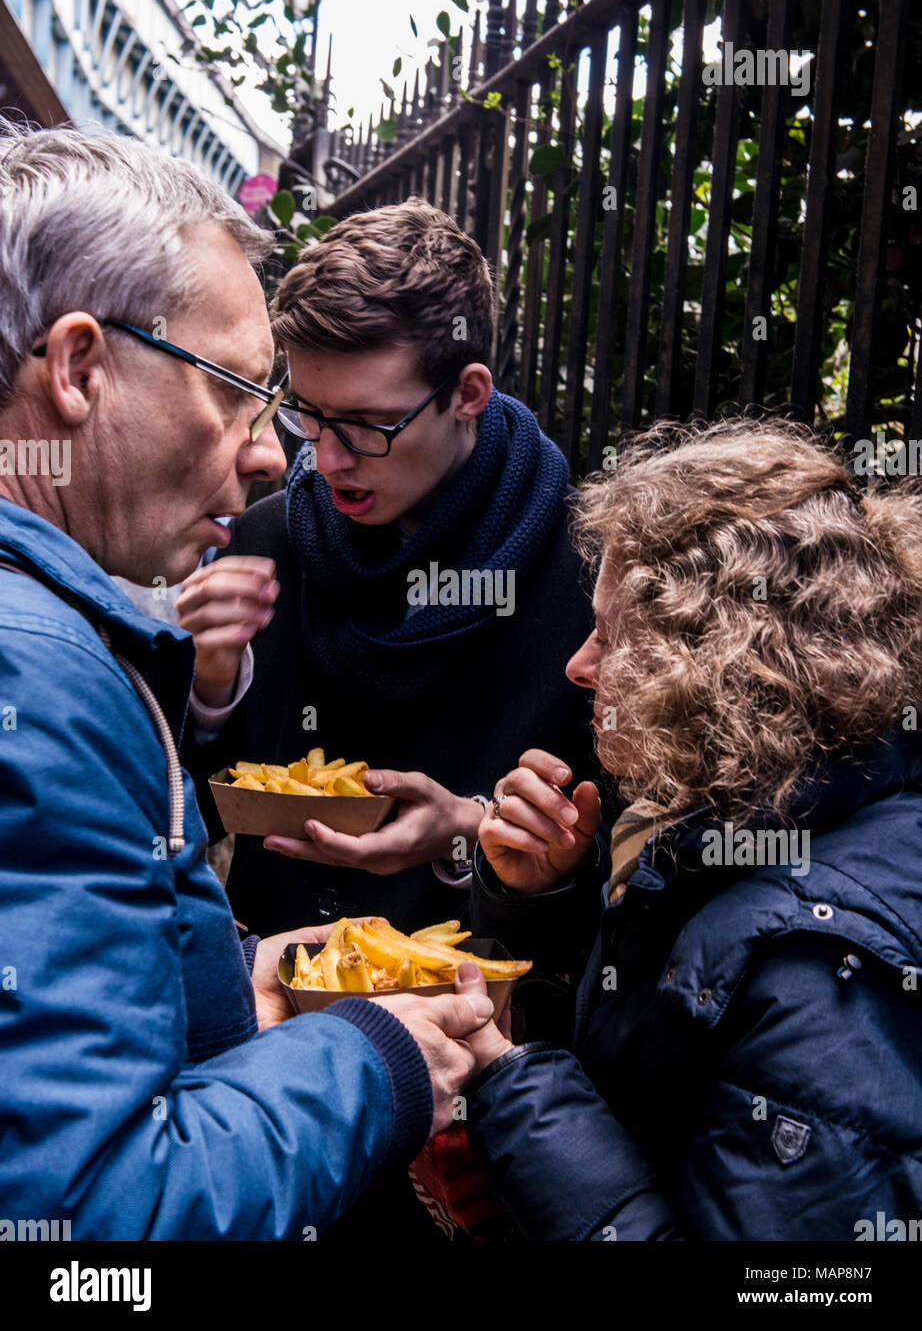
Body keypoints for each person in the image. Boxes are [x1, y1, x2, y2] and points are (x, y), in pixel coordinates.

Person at [0, 119, 496, 1240]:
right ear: (79, 368)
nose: (278, 453)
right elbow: (84, 1227)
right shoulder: (37, 669)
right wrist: (376, 1054)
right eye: (238, 390)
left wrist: (228, 971)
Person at [457, 420, 922, 1240]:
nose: (579, 664)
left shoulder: (821, 967)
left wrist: (514, 1090)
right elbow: (658, 1071)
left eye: (614, 637)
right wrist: (547, 898)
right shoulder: (741, 811)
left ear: (721, 665)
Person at [179, 198, 602, 944]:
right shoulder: (264, 535)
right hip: (276, 1020)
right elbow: (190, 814)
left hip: (477, 1026)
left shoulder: (587, 572)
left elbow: (627, 866)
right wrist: (209, 688)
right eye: (306, 414)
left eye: (368, 427)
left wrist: (470, 830)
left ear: (468, 393)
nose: (325, 459)